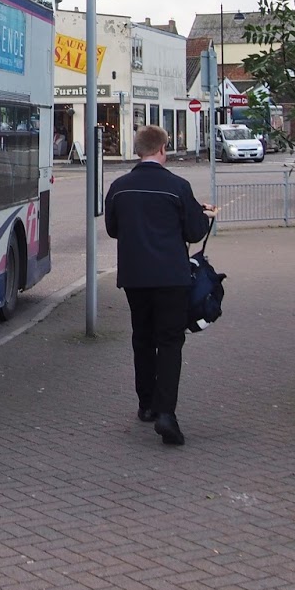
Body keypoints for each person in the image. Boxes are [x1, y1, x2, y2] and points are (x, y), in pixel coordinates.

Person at [104, 124, 216, 447]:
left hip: (134, 277)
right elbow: (194, 233)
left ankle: (146, 403)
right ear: (163, 149)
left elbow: (113, 229)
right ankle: (167, 413)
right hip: (171, 277)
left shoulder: (120, 187)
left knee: (142, 336)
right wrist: (202, 215)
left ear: (139, 150)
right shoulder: (177, 187)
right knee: (169, 341)